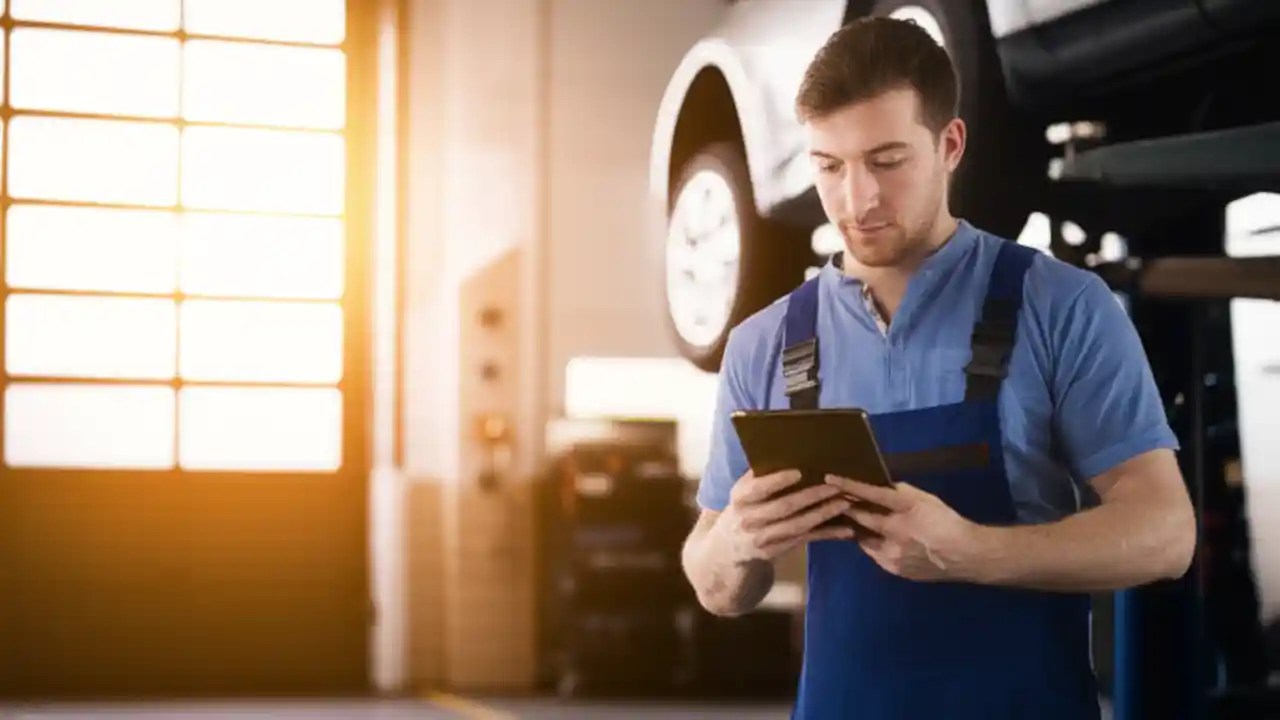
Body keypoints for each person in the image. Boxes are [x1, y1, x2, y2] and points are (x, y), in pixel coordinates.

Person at [679, 16, 1197, 719]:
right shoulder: (765, 344)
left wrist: (970, 552)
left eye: (887, 160)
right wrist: (736, 545)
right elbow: (713, 581)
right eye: (830, 166)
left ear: (950, 144)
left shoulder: (1059, 307)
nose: (856, 199)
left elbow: (1165, 533)